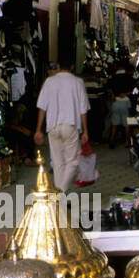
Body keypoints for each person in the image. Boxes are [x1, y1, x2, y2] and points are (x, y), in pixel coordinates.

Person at [33, 56, 90, 192]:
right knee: (74, 162)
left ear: (58, 66)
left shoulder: (49, 82)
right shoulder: (78, 82)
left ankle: (58, 197)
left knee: (58, 163)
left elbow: (42, 107)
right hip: (70, 125)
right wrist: (85, 130)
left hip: (52, 126)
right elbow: (83, 109)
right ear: (72, 67)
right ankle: (60, 192)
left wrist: (38, 130)